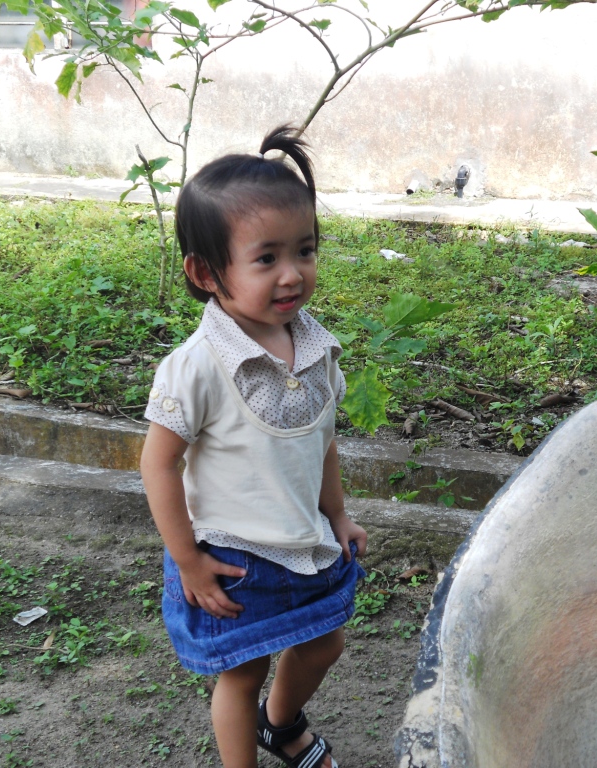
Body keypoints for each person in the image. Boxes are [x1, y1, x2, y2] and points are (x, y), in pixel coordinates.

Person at [140, 125, 367, 768]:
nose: (292, 274)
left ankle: (282, 722)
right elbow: (158, 463)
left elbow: (321, 440)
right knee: (240, 674)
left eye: (305, 250)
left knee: (324, 645)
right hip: (233, 556)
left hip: (304, 543)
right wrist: (187, 560)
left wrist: (338, 513)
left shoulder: (316, 348)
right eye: (266, 258)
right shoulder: (198, 365)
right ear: (206, 273)